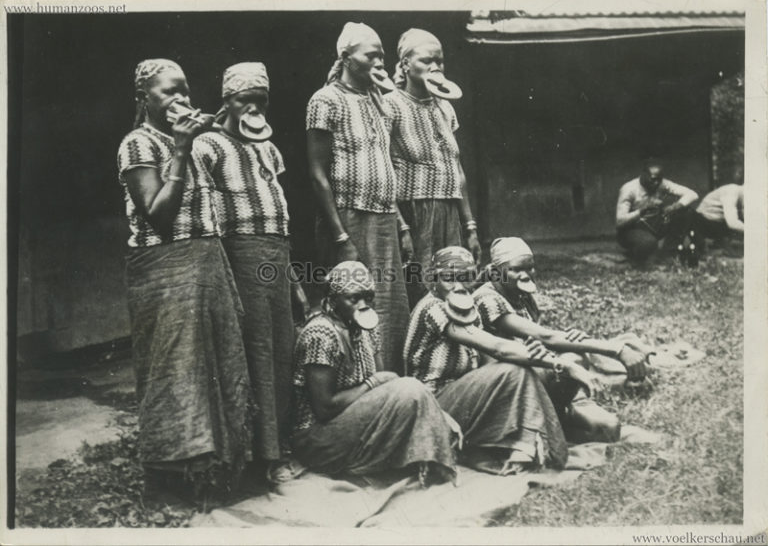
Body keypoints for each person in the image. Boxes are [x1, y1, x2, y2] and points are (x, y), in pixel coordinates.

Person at [117, 59, 253, 496]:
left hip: (206, 261)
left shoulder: (196, 145)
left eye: (185, 92)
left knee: (221, 362)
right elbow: (157, 215)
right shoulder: (138, 144)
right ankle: (169, 478)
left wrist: (188, 145)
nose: (180, 101)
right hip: (164, 268)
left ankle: (218, 470)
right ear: (144, 100)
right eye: (167, 92)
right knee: (175, 371)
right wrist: (178, 148)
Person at [403, 247, 608, 475]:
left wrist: (530, 355)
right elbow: (498, 348)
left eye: (466, 278)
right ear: (433, 278)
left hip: (461, 398)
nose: (459, 286)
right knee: (513, 371)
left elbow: (489, 362)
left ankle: (530, 441)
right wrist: (562, 364)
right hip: (433, 407)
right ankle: (533, 443)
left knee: (517, 370)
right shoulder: (433, 308)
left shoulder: (466, 307)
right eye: (449, 279)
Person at [195, 62, 305, 481]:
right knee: (256, 348)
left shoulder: (267, 147)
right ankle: (265, 455)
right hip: (241, 254)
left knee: (283, 345)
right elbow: (211, 217)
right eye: (245, 100)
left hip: (276, 253)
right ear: (227, 101)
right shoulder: (208, 145)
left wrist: (293, 279)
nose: (253, 108)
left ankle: (283, 442)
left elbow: (279, 218)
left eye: (261, 100)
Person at [291, 261, 457, 485]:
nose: (363, 305)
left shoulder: (366, 327)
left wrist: (435, 413)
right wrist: (371, 384)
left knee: (409, 391)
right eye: (353, 298)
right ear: (332, 301)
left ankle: (425, 461)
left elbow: (387, 386)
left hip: (350, 423)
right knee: (409, 388)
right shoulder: (320, 333)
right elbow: (324, 408)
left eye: (368, 298)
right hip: (318, 438)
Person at [473, 237, 654, 442]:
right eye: (516, 269)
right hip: (508, 381)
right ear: (496, 272)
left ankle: (557, 413)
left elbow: (538, 335)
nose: (526, 275)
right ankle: (549, 418)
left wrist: (571, 338)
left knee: (610, 427)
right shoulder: (486, 299)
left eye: (530, 268)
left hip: (531, 366)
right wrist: (617, 349)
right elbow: (545, 337)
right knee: (574, 361)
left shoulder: (520, 294)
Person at [306, 22, 411, 374]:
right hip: (348, 220)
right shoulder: (325, 100)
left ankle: (394, 388)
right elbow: (318, 174)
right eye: (372, 54)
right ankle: (361, 391)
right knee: (355, 307)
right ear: (347, 58)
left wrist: (401, 224)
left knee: (391, 311)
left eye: (383, 55)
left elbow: (385, 168)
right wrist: (340, 237)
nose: (380, 61)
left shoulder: (378, 102)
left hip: (383, 221)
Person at [384, 28, 481, 307]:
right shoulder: (390, 105)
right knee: (422, 289)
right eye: (427, 60)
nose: (435, 67)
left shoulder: (445, 107)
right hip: (414, 212)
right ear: (405, 64)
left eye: (439, 61)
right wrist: (401, 227)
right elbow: (386, 171)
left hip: (449, 211)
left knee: (455, 282)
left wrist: (470, 226)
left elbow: (456, 168)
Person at [616, 159, 699, 264]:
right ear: (643, 175)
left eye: (659, 180)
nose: (656, 183)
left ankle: (668, 253)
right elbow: (619, 222)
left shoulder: (661, 183)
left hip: (653, 225)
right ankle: (635, 256)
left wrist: (674, 207)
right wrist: (642, 210)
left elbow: (692, 194)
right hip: (631, 229)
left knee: (686, 212)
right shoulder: (629, 189)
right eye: (653, 179)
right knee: (648, 243)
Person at [693, 183, 744, 253]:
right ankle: (720, 242)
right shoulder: (731, 191)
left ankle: (719, 242)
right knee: (735, 220)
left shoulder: (740, 194)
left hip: (715, 222)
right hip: (703, 221)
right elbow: (732, 223)